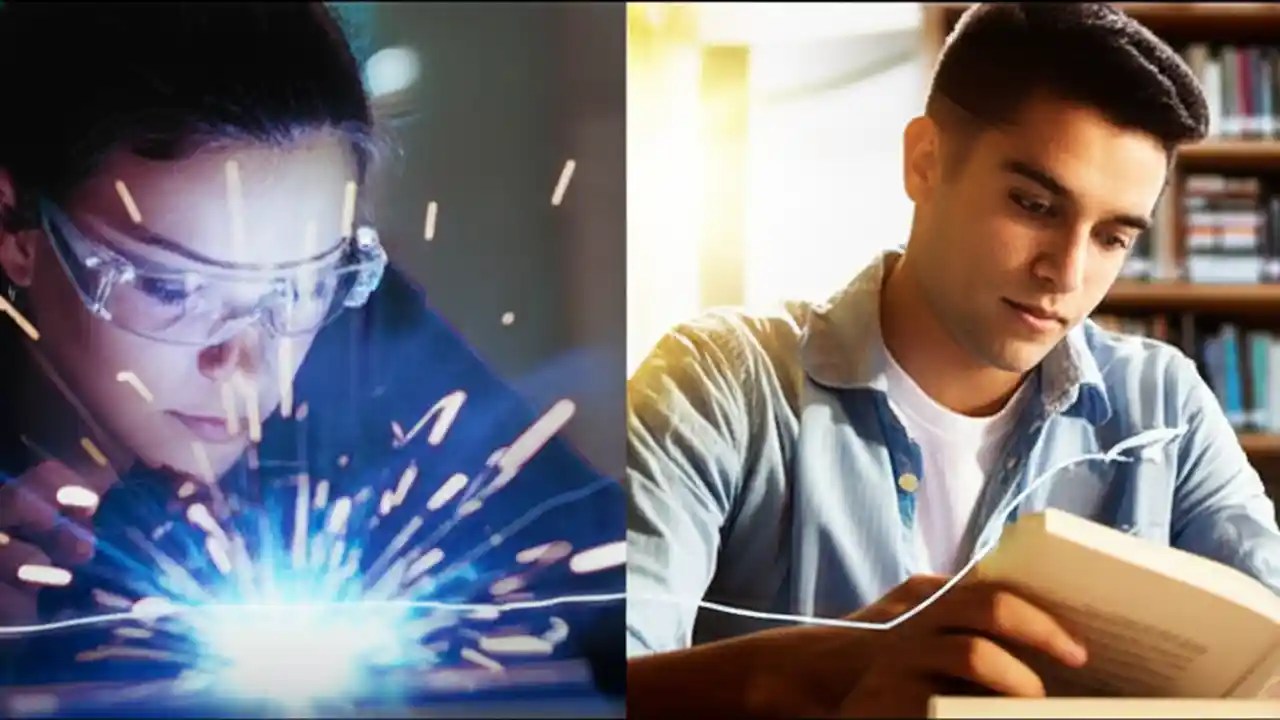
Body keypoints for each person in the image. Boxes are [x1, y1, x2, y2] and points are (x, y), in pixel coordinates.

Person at [626, 3, 1280, 718]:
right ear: (925, 162)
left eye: (1113, 239)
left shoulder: (1164, 405)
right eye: (1034, 204)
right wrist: (824, 673)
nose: (1065, 273)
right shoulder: (719, 385)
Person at [0, 2, 623, 707]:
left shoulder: (356, 322)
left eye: (296, 287)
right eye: (172, 288)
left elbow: (605, 580)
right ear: (16, 229)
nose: (244, 366)